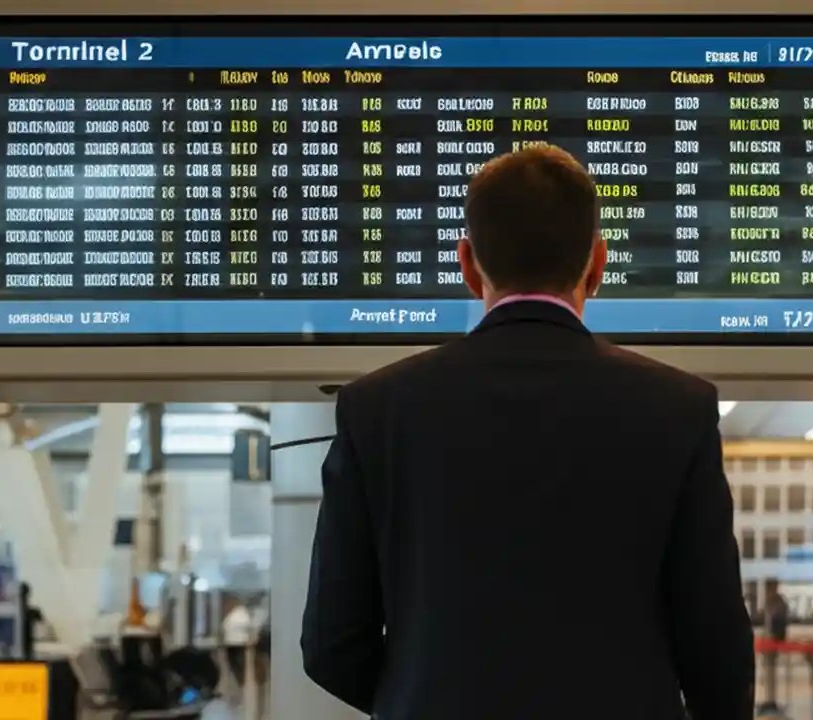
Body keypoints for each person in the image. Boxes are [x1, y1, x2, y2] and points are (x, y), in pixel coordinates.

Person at [301, 145, 754, 719]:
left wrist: (420, 697)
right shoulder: (679, 408)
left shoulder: (376, 410)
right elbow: (716, 648)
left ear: (467, 265)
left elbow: (331, 644)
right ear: (597, 263)